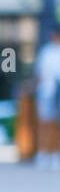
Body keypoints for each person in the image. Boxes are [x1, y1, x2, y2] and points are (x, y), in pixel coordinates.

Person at [36, 26, 60, 169]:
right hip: (47, 92)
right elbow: (40, 74)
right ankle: (43, 153)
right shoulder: (46, 52)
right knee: (45, 124)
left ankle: (56, 154)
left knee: (57, 125)